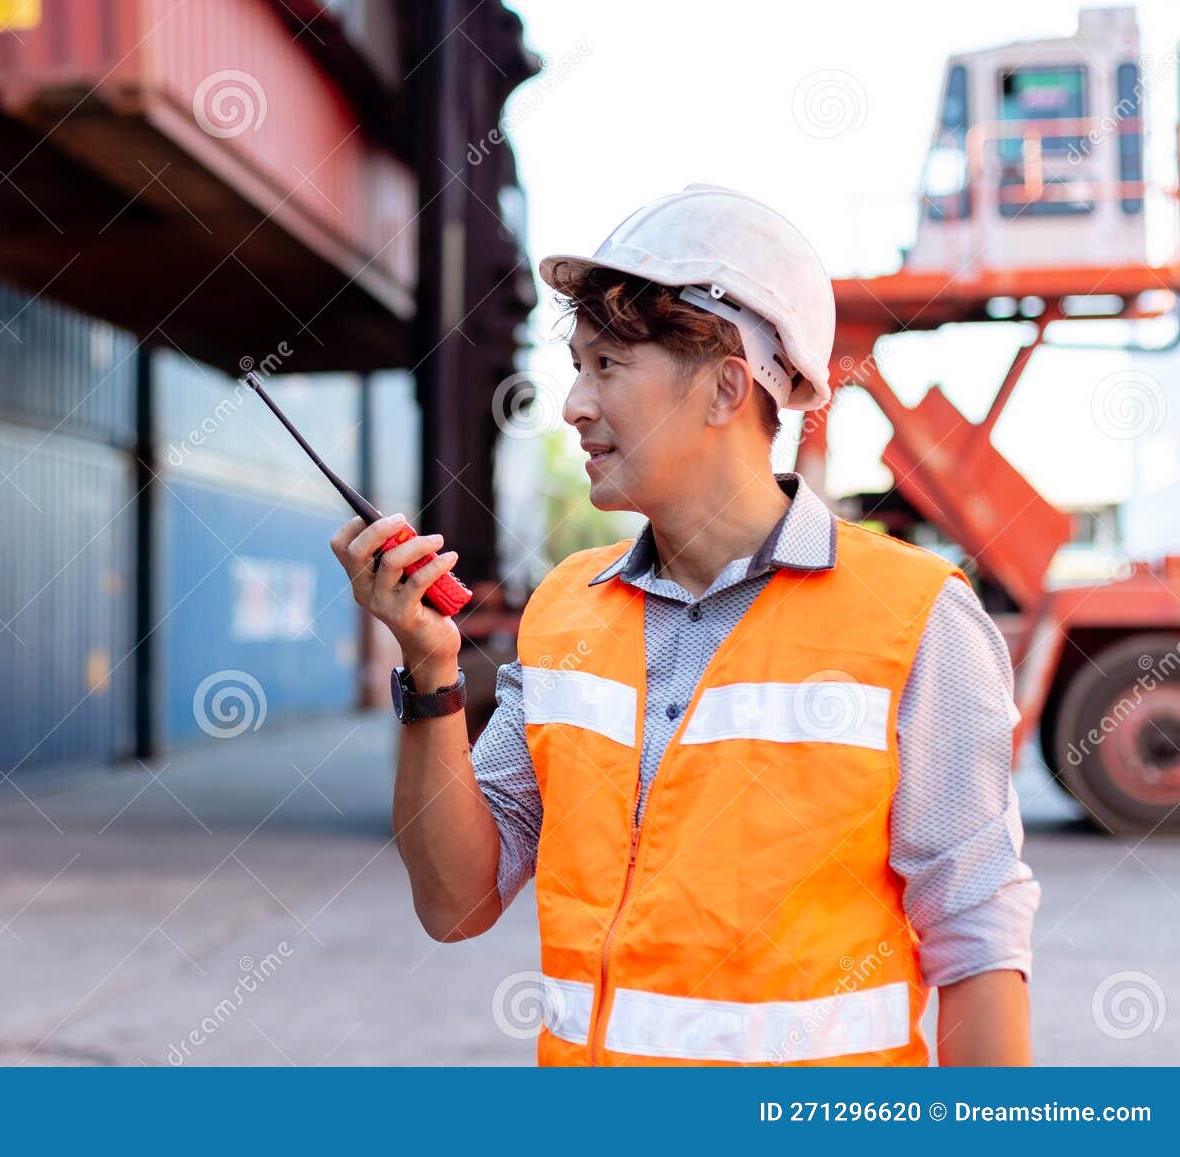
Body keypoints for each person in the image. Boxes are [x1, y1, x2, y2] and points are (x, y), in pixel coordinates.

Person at [330, 184, 1039, 1067]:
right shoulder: (567, 609)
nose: (575, 405)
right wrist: (430, 673)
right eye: (577, 367)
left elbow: (976, 939)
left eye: (607, 367)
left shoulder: (917, 618)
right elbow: (455, 903)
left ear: (724, 387)